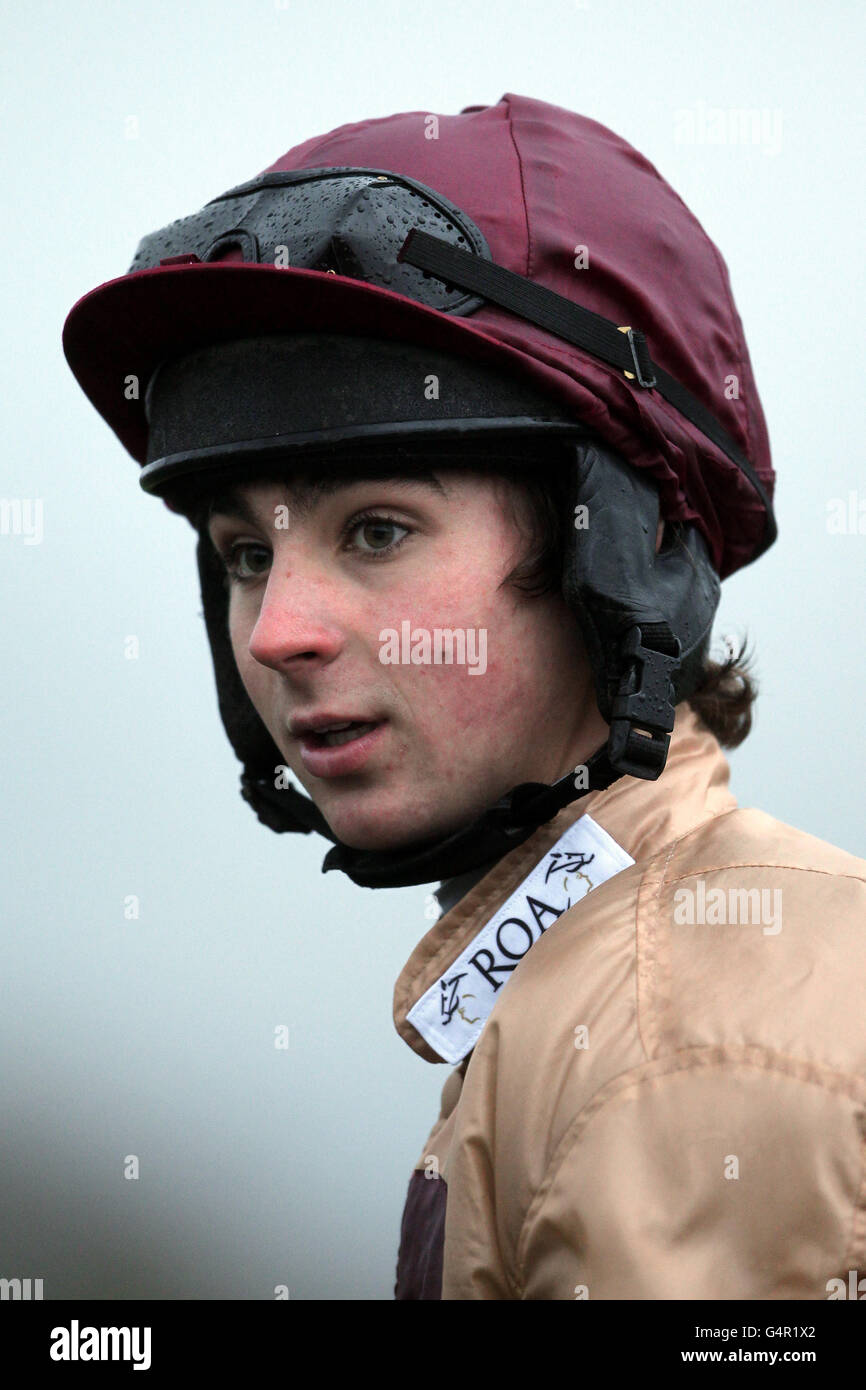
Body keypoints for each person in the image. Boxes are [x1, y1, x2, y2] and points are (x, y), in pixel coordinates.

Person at [63, 93, 866, 1301]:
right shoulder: (608, 982)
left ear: (624, 557)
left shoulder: (670, 1046)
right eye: (243, 553)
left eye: (376, 531)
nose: (276, 631)